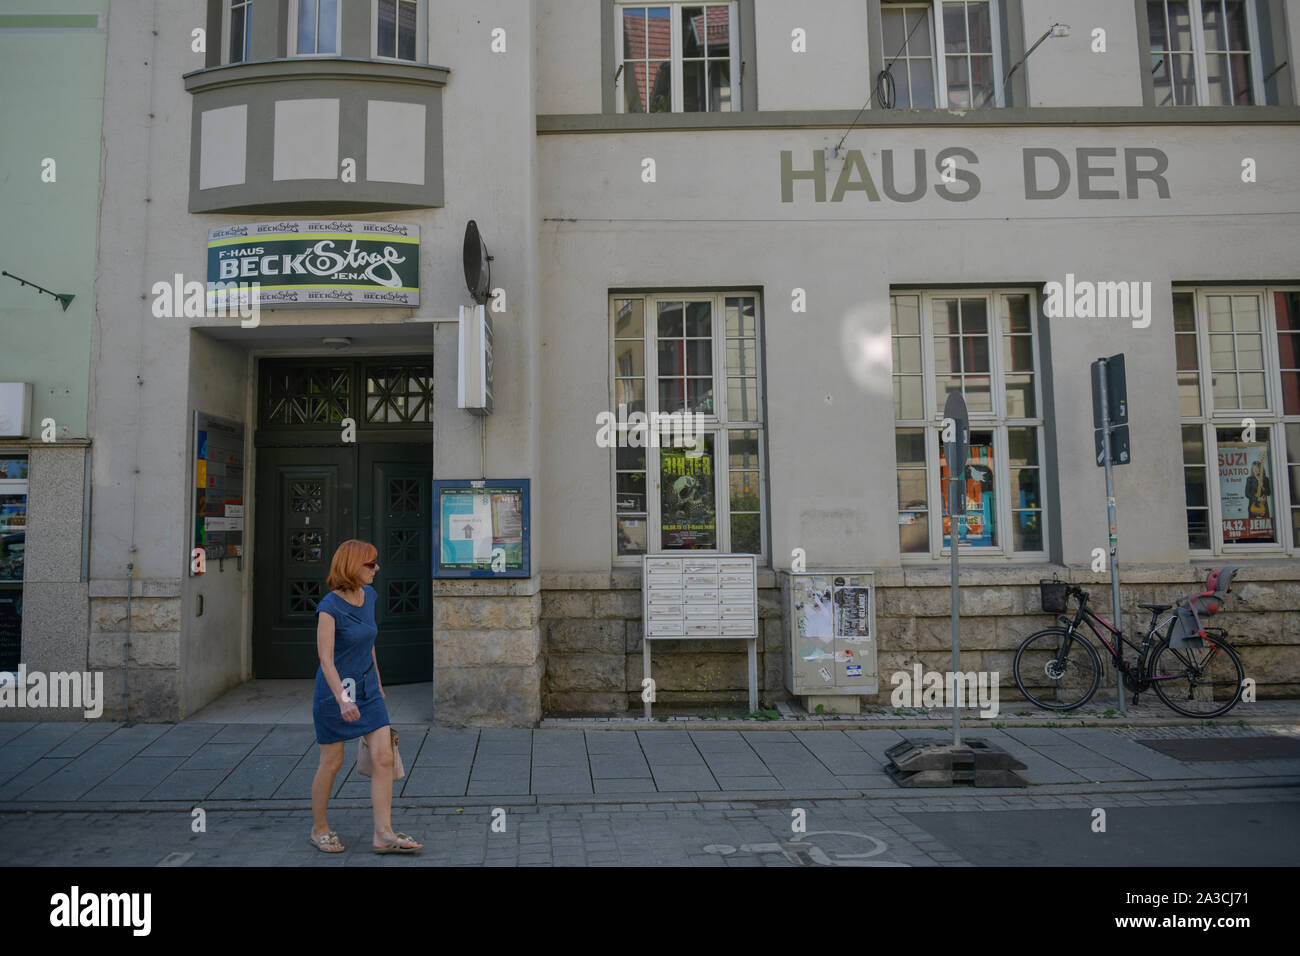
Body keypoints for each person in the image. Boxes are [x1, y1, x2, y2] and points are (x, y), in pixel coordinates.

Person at [309, 539, 422, 854]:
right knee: (332, 762)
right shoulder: (329, 608)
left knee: (384, 757)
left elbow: (368, 643)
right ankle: (319, 829)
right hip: (336, 693)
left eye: (375, 563)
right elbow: (326, 659)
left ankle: (383, 834)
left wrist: (379, 683)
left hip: (369, 690)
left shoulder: (369, 596)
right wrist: (343, 700)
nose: (377, 568)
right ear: (351, 567)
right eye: (370, 564)